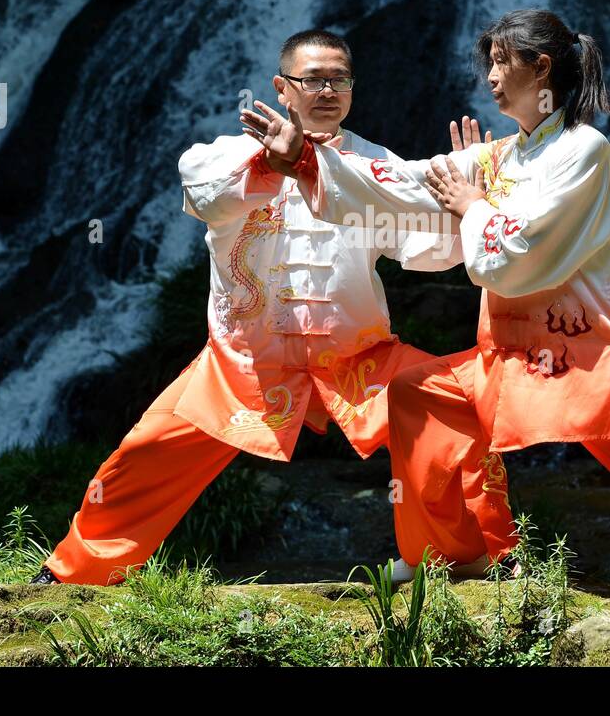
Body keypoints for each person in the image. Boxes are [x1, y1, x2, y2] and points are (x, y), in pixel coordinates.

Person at [242, 10, 610, 613]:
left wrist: (472, 208)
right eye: (491, 63)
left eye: (503, 61)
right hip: (513, 360)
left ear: (542, 67)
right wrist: (310, 161)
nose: (492, 76)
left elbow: (516, 257)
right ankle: (458, 552)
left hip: (600, 353)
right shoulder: (501, 157)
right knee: (420, 392)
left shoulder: (584, 150)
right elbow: (405, 183)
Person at [34, 29, 517, 586]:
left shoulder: (375, 163)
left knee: (453, 417)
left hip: (355, 356)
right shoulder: (230, 155)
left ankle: (480, 562)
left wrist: (460, 193)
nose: (327, 91)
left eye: (339, 80)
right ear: (282, 88)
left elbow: (429, 250)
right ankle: (77, 570)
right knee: (149, 453)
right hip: (247, 361)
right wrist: (279, 161)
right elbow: (198, 188)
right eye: (313, 80)